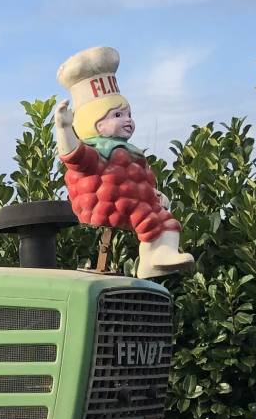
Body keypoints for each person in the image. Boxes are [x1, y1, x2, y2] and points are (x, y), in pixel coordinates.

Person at [54, 46, 193, 279]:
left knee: (167, 221)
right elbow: (73, 157)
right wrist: (64, 128)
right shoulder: (97, 153)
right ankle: (154, 256)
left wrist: (154, 194)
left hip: (132, 202)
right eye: (117, 115)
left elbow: (140, 182)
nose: (127, 120)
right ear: (95, 123)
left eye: (128, 114)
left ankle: (154, 259)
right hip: (107, 205)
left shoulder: (130, 152)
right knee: (148, 218)